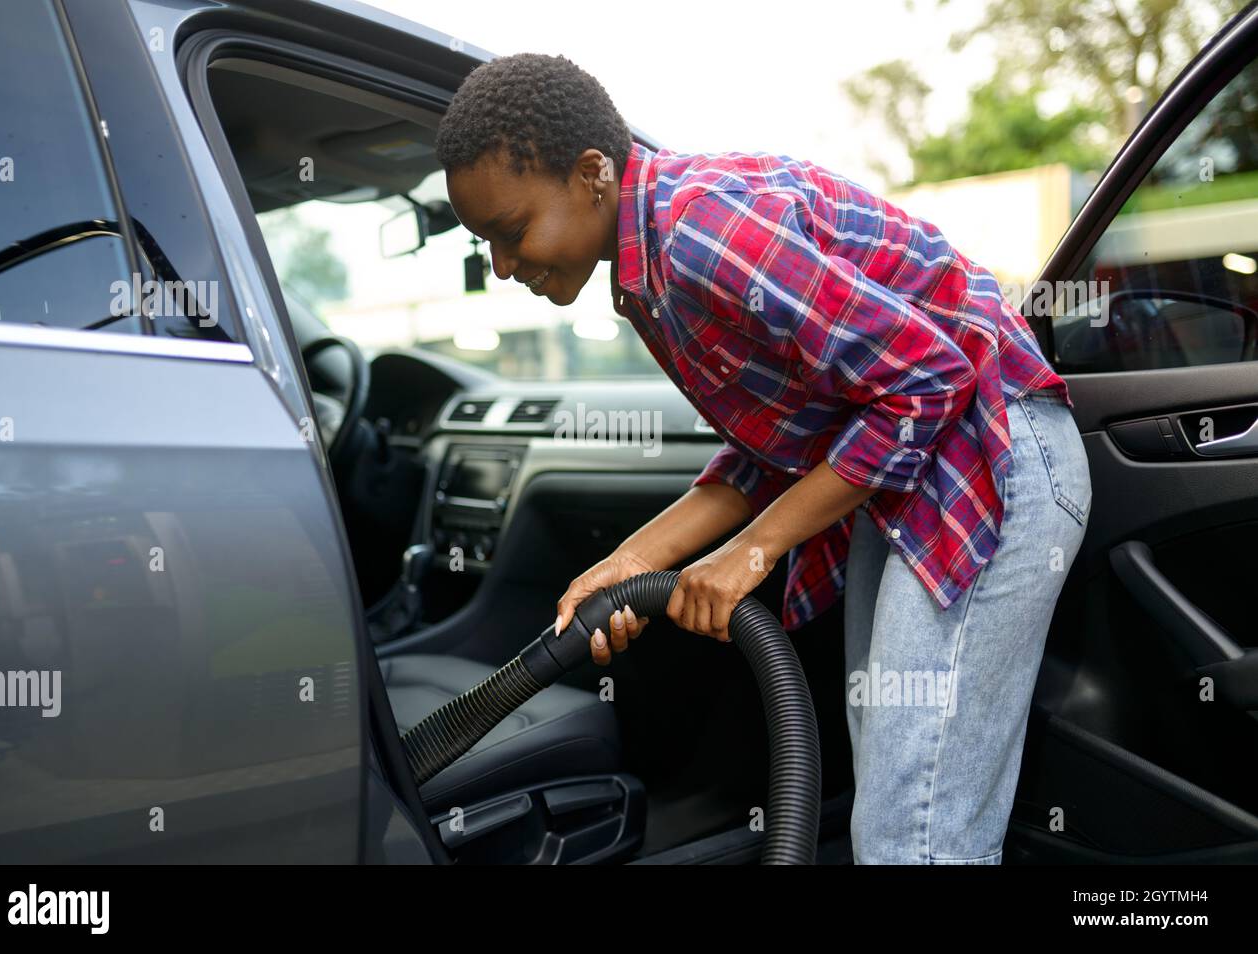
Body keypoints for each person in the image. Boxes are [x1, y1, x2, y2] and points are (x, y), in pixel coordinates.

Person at [435, 52, 1093, 865]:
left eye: (511, 231)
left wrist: (748, 556)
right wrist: (628, 563)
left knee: (912, 832)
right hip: (909, 478)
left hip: (985, 455)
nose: (503, 266)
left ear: (593, 174)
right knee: (898, 800)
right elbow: (768, 455)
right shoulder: (648, 268)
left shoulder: (699, 232)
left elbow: (929, 378)